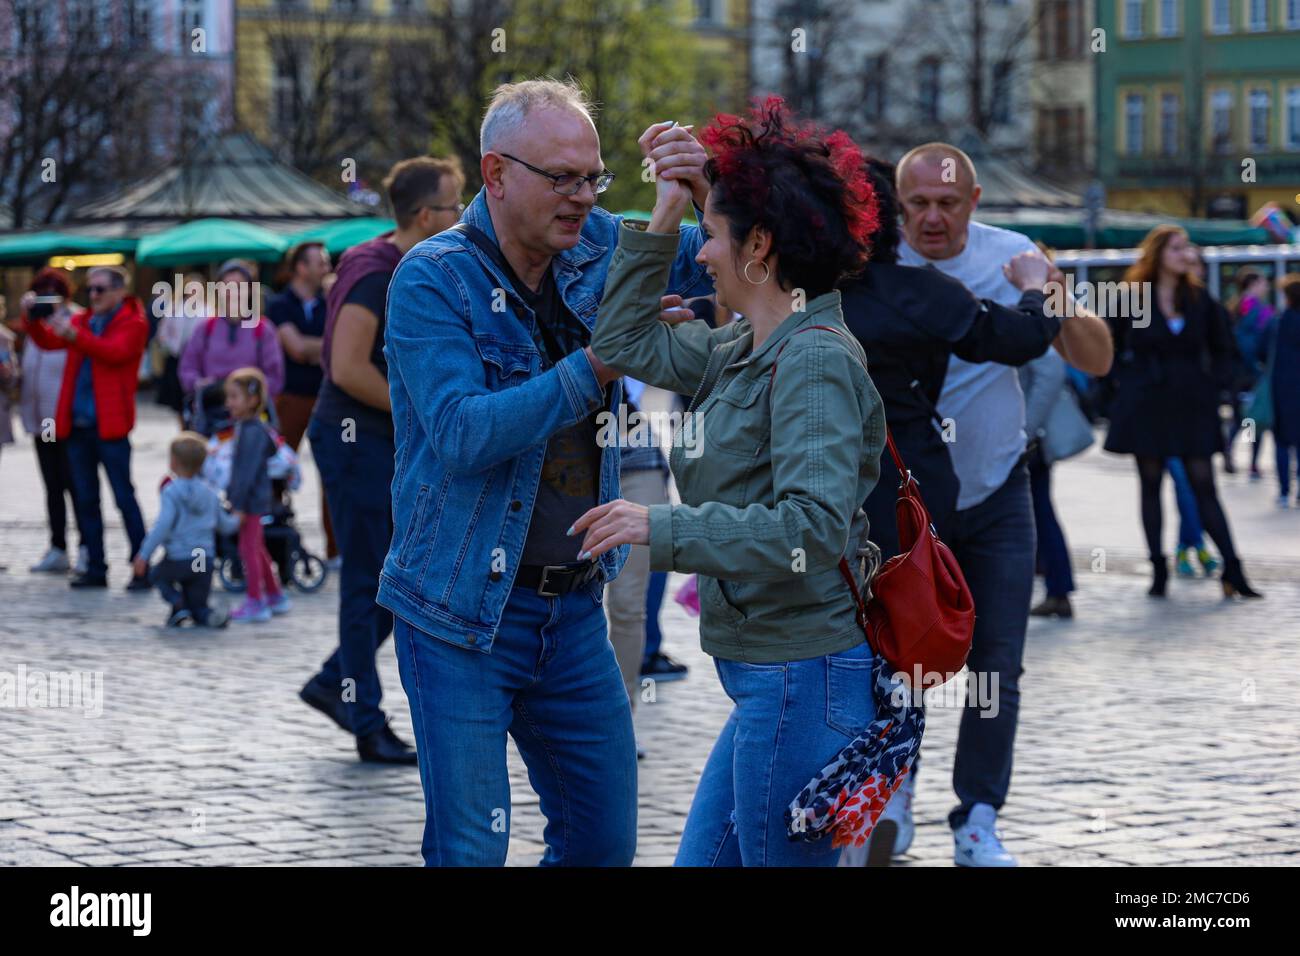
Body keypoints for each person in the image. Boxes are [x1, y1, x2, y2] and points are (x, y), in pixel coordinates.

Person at [381, 79, 712, 867]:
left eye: (592, 176)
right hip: (458, 609)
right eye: (560, 177)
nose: (581, 196)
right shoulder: (433, 277)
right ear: (495, 175)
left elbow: (737, 254)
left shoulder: (599, 243)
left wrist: (703, 183)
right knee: (470, 850)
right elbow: (463, 433)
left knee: (602, 844)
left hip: (571, 613)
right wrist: (599, 362)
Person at [573, 97, 889, 867]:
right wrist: (669, 204)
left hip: (801, 678)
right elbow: (617, 341)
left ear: (759, 248)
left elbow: (811, 529)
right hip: (770, 682)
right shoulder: (742, 346)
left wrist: (661, 528)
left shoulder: (812, 358)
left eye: (710, 236)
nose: (702, 254)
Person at [891, 142, 1113, 868]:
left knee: (996, 665)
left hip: (996, 492)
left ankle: (978, 817)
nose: (931, 217)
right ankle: (892, 793)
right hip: (907, 502)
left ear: (974, 201)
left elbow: (1097, 357)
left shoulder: (1014, 254)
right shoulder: (877, 265)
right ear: (899, 206)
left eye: (946, 203)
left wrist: (1048, 289)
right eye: (916, 203)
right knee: (902, 659)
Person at [300, 155, 465, 766]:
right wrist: (426, 410)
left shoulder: (403, 262)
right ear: (425, 215)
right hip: (353, 441)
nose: (463, 216)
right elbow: (346, 369)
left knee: (395, 582)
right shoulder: (376, 272)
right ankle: (363, 717)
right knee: (369, 583)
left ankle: (335, 682)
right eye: (455, 206)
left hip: (379, 443)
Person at [1105, 225, 1261, 599]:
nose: (1184, 254)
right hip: (1148, 404)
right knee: (1151, 485)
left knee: (1204, 484)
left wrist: (1214, 385)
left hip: (1193, 404)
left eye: (1186, 248)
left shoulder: (1198, 299)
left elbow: (1225, 349)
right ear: (1158, 253)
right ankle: (1158, 569)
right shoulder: (1132, 297)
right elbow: (1107, 347)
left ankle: (1233, 569)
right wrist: (1123, 388)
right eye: (1176, 248)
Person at [22, 266, 151, 590]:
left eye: (100, 290)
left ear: (120, 292)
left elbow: (114, 353)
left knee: (124, 498)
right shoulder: (83, 322)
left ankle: (141, 565)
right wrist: (31, 318)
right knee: (85, 500)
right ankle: (95, 567)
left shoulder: (133, 322)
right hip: (76, 427)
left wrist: (74, 336)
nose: (92, 296)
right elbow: (48, 342)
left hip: (111, 427)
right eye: (89, 290)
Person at [268, 243, 336, 562]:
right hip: (291, 395)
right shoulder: (279, 303)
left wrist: (317, 349)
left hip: (328, 395)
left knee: (336, 472)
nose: (327, 267)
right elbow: (295, 348)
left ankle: (335, 550)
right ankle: (271, 544)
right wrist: (329, 348)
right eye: (320, 262)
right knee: (276, 468)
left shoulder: (331, 301)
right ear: (301, 268)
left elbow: (337, 345)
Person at [132, 431, 239, 627]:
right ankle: (206, 615)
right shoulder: (210, 493)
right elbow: (225, 525)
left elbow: (163, 525)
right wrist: (239, 519)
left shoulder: (171, 491)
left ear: (173, 462)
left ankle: (177, 604)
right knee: (198, 601)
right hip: (202, 558)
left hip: (180, 558)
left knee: (157, 575)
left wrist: (144, 554)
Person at [178, 260, 285, 428]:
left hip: (251, 419)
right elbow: (187, 368)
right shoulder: (205, 328)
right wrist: (198, 383)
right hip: (211, 416)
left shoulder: (263, 330)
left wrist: (248, 393)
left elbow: (275, 378)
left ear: (250, 290)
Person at [222, 367, 292, 623]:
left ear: (251, 400)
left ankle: (256, 600)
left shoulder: (251, 431)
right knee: (257, 546)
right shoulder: (250, 427)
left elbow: (246, 472)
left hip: (249, 501)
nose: (228, 402)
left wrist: (237, 504)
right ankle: (274, 594)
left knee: (247, 548)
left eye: (234, 397)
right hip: (252, 499)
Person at [1225, 270, 1276, 479]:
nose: (1266, 287)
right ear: (1253, 284)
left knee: (1242, 416)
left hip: (1236, 373)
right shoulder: (1261, 312)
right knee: (1255, 415)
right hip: (1253, 373)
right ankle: (1252, 461)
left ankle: (1230, 450)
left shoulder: (1234, 307)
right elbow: (1264, 343)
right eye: (1263, 283)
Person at [154, 272, 208, 425]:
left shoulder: (207, 310)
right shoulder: (175, 308)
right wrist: (170, 346)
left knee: (193, 397)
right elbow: (163, 333)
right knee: (178, 400)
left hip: (198, 360)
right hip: (176, 357)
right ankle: (183, 427)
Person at [1271, 274, 1300, 507]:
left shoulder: (1277, 321)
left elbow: (1261, 352)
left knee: (1281, 442)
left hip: (1280, 389)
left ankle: (1283, 490)